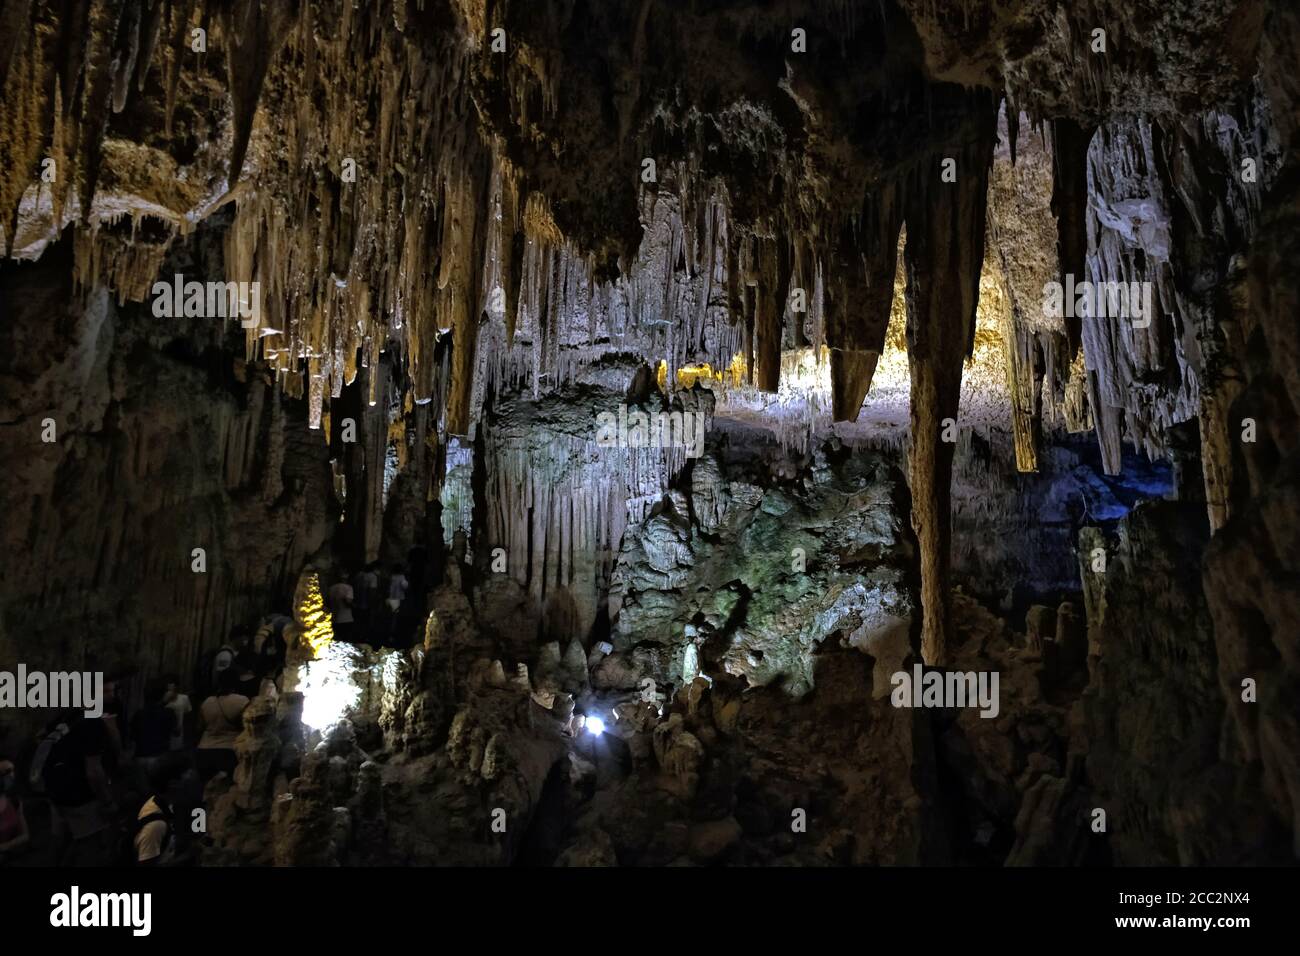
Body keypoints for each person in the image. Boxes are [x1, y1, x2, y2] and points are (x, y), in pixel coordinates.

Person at [42, 712, 116, 865]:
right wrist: (107, 802)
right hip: (80, 797)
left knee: (61, 841)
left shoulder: (61, 719)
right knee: (90, 846)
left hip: (56, 790)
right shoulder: (93, 723)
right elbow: (94, 772)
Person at [195, 670, 250, 783]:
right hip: (228, 749)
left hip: (204, 749)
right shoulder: (241, 701)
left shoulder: (207, 702)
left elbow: (199, 727)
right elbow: (247, 726)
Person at [130, 679, 175, 793]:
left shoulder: (139, 714)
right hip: (159, 755)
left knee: (144, 794)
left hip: (140, 757)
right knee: (159, 793)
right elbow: (175, 731)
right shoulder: (169, 712)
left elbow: (133, 735)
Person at [0, 758, 30, 863]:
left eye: (11, 771)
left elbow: (25, 836)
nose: (10, 776)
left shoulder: (14, 801)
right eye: (5, 773)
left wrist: (6, 846)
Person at [163, 676, 192, 752]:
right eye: (168, 684)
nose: (169, 686)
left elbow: (187, 716)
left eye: (171, 683)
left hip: (178, 732)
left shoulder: (184, 698)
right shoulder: (161, 698)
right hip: (164, 733)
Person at [352, 562, 380, 638]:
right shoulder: (372, 576)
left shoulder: (358, 575)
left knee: (359, 619)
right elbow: (372, 590)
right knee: (367, 620)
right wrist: (373, 602)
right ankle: (367, 636)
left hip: (357, 601)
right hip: (367, 602)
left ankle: (358, 635)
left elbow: (354, 587)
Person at [330, 573, 356, 642]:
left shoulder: (331, 588)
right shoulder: (348, 588)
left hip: (334, 618)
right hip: (346, 618)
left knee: (337, 640)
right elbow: (348, 601)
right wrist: (354, 606)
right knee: (346, 640)